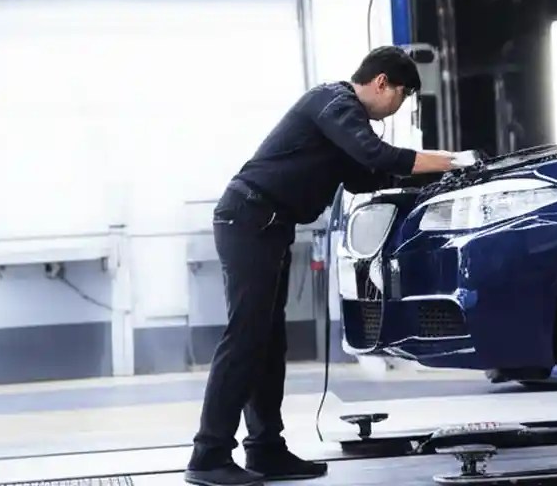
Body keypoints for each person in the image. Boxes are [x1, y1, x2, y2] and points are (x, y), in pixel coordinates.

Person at [185, 46, 458, 486]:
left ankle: (265, 449)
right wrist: (448, 159)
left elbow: (367, 176)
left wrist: (439, 177)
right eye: (403, 95)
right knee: (246, 338)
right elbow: (377, 156)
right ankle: (208, 455)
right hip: (248, 219)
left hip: (267, 226)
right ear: (383, 83)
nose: (399, 105)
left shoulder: (347, 122)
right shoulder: (333, 102)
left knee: (268, 344)